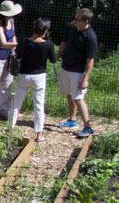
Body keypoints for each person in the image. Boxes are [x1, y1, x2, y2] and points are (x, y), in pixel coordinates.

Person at [8, 18, 57, 142]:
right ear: (45, 31)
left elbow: (18, 56)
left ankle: (9, 129)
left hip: (24, 75)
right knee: (39, 105)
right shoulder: (48, 44)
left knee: (16, 103)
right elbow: (53, 59)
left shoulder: (24, 41)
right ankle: (39, 134)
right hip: (39, 77)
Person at [57, 8, 98, 137]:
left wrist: (85, 78)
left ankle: (88, 127)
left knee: (79, 98)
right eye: (75, 17)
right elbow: (64, 42)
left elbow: (90, 60)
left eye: (77, 19)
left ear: (86, 21)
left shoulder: (91, 37)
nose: (74, 21)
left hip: (78, 72)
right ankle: (72, 120)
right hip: (66, 67)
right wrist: (58, 54)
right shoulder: (71, 27)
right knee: (69, 94)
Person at [0, 0, 22, 121]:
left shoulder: (11, 21)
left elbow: (13, 36)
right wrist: (17, 45)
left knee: (6, 85)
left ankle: (4, 111)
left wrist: (14, 49)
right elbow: (3, 42)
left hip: (9, 58)